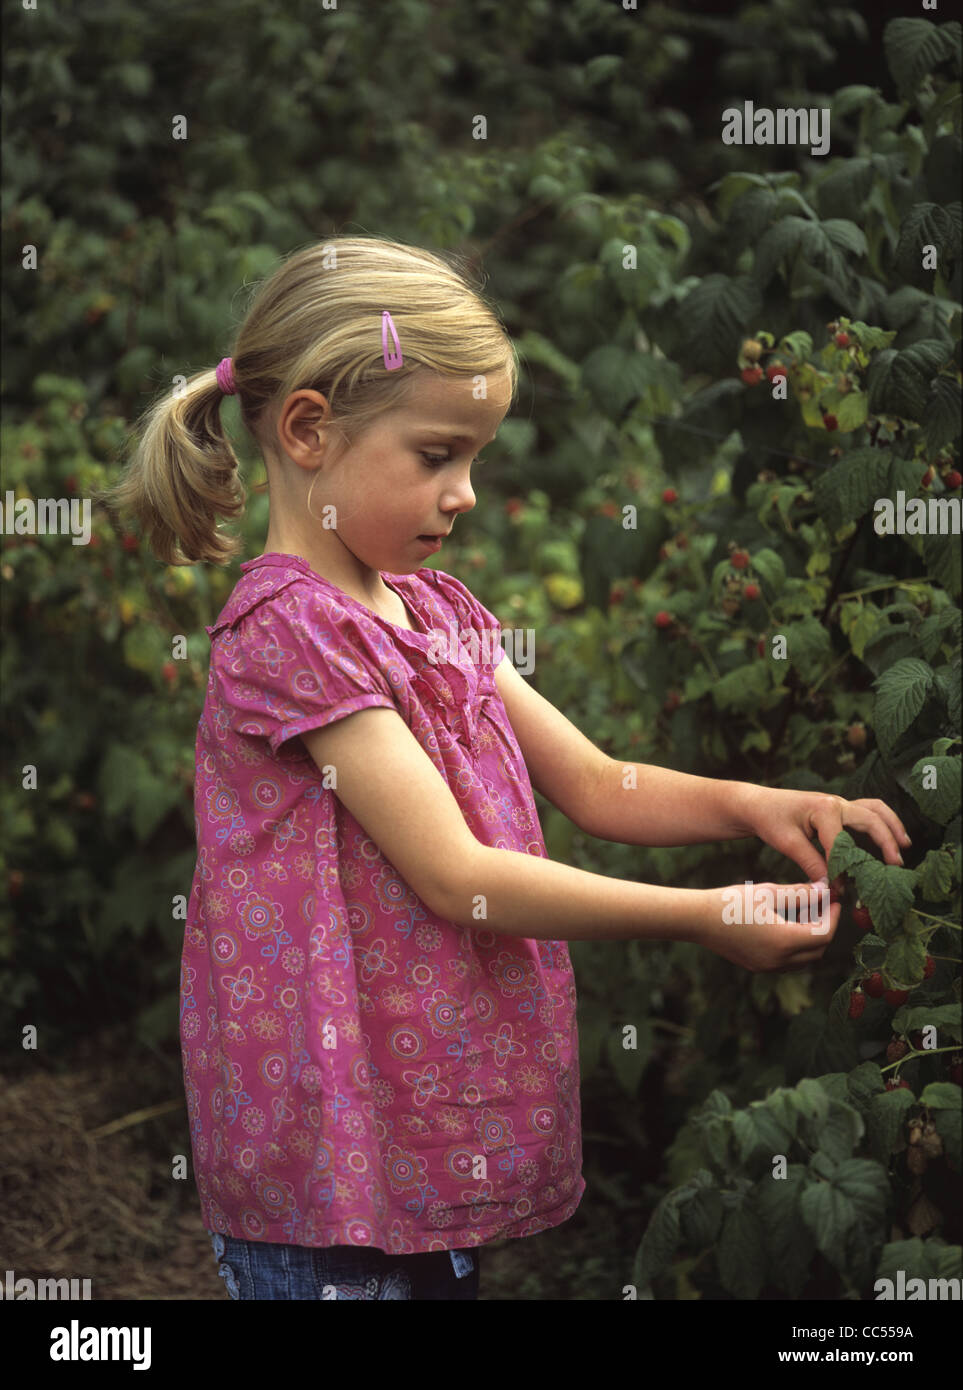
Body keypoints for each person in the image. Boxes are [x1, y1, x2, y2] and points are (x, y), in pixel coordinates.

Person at [103, 234, 910, 1300]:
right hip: (329, 1150)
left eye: (474, 458)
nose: (467, 492)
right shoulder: (293, 632)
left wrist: (762, 803)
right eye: (437, 455)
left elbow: (595, 781)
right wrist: (707, 916)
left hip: (417, 1123)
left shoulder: (434, 613)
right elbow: (458, 875)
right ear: (307, 431)